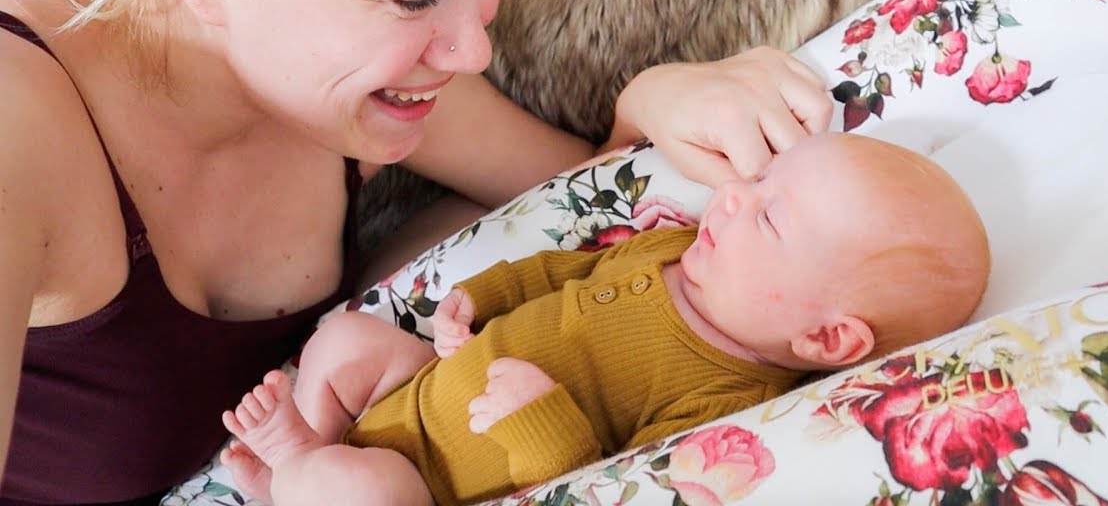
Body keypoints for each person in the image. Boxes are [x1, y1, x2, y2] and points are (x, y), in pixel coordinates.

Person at [0, 0, 836, 504]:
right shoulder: (18, 125)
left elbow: (572, 203)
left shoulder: (362, 81)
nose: (473, 50)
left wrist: (653, 99)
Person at [221, 132, 991, 506]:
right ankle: (305, 467)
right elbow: (557, 272)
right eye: (758, 179)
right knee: (346, 339)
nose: (731, 196)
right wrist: (480, 299)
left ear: (825, 337)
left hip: (428, 483)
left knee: (367, 487)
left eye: (768, 217)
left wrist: (541, 421)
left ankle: (301, 469)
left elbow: (611, 482)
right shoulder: (675, 246)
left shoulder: (727, 401)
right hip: (418, 388)